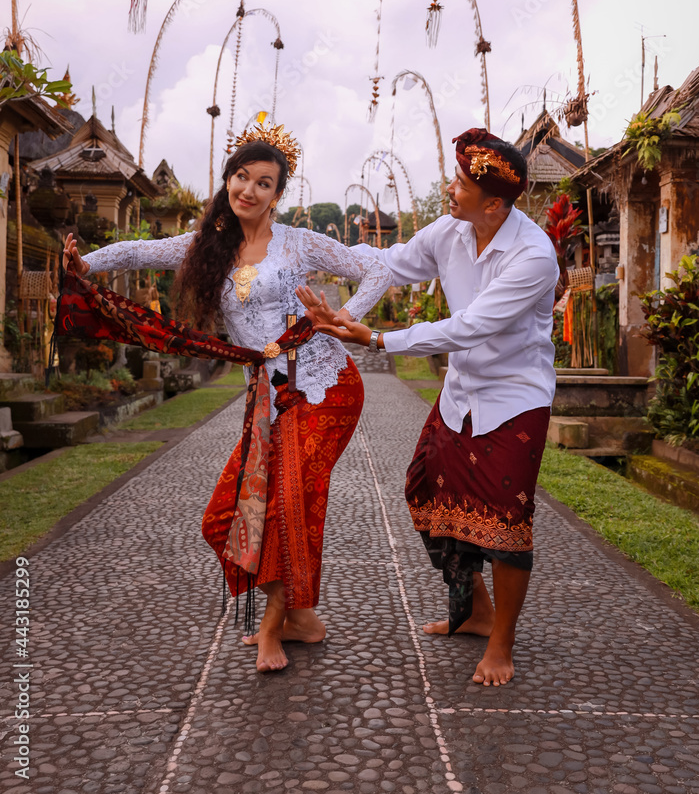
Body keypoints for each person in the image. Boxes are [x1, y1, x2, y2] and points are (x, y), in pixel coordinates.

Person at [63, 113, 392, 674]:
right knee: (225, 513)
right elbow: (137, 252)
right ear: (229, 179)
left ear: (277, 195)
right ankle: (302, 616)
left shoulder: (298, 244)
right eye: (242, 177)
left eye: (264, 183)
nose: (249, 190)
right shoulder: (208, 246)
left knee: (289, 503)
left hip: (325, 389)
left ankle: (273, 628)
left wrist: (340, 321)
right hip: (267, 398)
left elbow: (376, 270)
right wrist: (83, 263)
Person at [306, 127, 559, 687]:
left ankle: (501, 643)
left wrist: (377, 339)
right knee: (424, 489)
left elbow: (470, 327)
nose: (450, 189)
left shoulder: (534, 256)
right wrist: (306, 249)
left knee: (507, 526)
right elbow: (388, 262)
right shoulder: (451, 230)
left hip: (514, 400)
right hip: (461, 394)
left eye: (461, 183)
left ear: (493, 204)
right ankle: (475, 611)